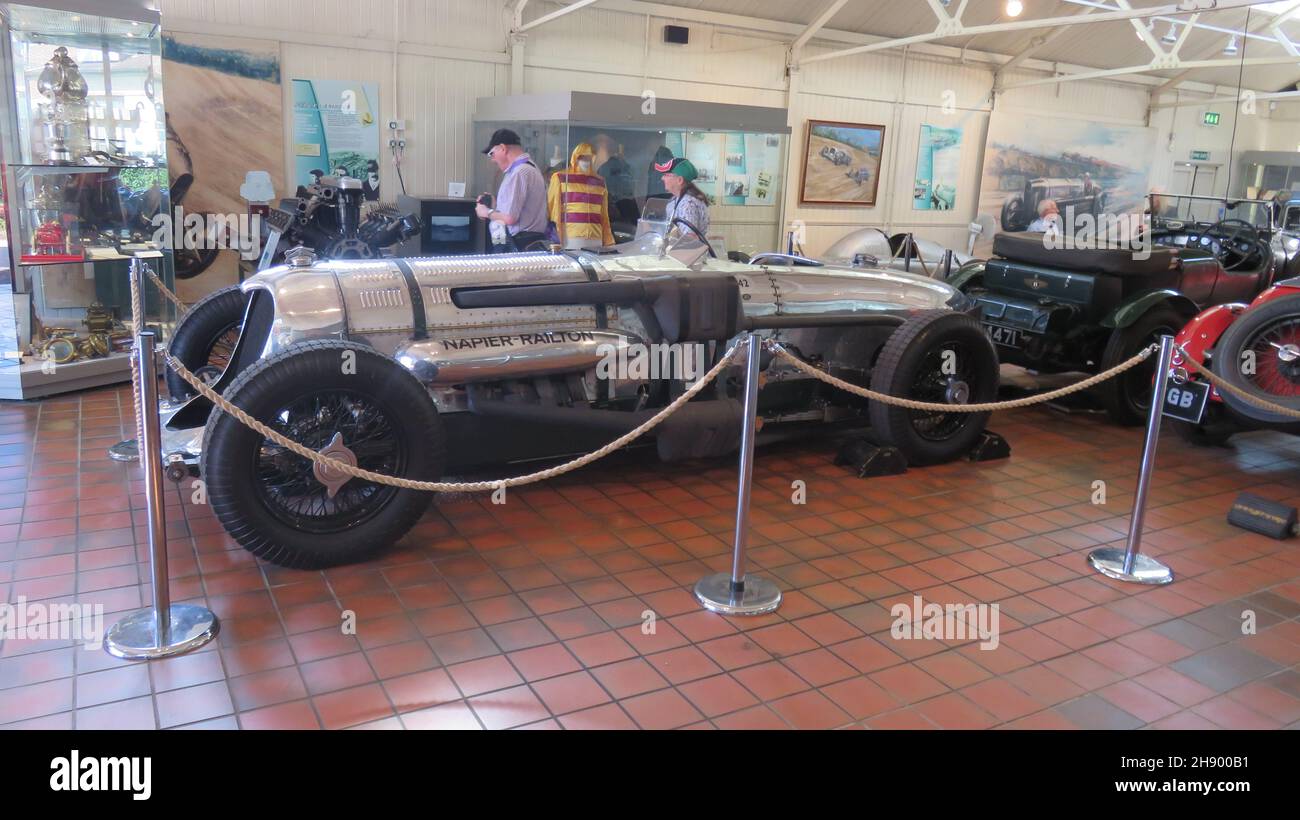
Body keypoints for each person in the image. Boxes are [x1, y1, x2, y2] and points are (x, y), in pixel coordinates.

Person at [475, 128, 549, 252]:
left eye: (492, 153)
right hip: (525, 243)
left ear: (503, 148)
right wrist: (494, 207)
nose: (492, 160)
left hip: (520, 244)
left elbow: (510, 219)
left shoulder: (520, 172)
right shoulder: (529, 167)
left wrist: (486, 212)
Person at [547, 142, 615, 249]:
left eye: (589, 157)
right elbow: (554, 211)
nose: (586, 160)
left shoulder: (600, 182)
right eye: (582, 157)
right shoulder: (560, 178)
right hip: (570, 238)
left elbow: (604, 215)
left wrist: (608, 240)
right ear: (576, 157)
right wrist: (555, 239)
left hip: (596, 238)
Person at [654, 155, 711, 237]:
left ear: (679, 180)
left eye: (666, 175)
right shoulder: (677, 199)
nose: (662, 178)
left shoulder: (688, 204)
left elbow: (689, 239)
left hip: (687, 249)